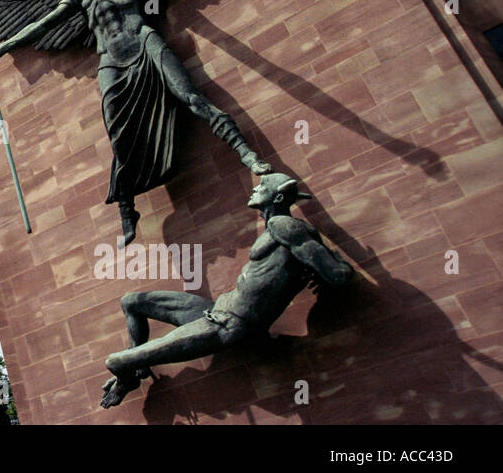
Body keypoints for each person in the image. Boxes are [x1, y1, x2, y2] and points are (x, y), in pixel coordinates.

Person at [0, 0, 271, 244]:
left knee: (190, 97)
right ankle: (127, 209)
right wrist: (1, 48)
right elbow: (43, 25)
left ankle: (247, 154)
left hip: (144, 42)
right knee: (117, 135)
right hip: (111, 62)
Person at [99, 173, 352, 409]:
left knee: (115, 362)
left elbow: (337, 274)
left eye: (263, 186)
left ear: (277, 197)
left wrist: (332, 265)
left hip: (229, 325)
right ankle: (137, 368)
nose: (255, 188)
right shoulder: (279, 228)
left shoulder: (285, 226)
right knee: (131, 302)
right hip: (217, 309)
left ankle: (128, 377)